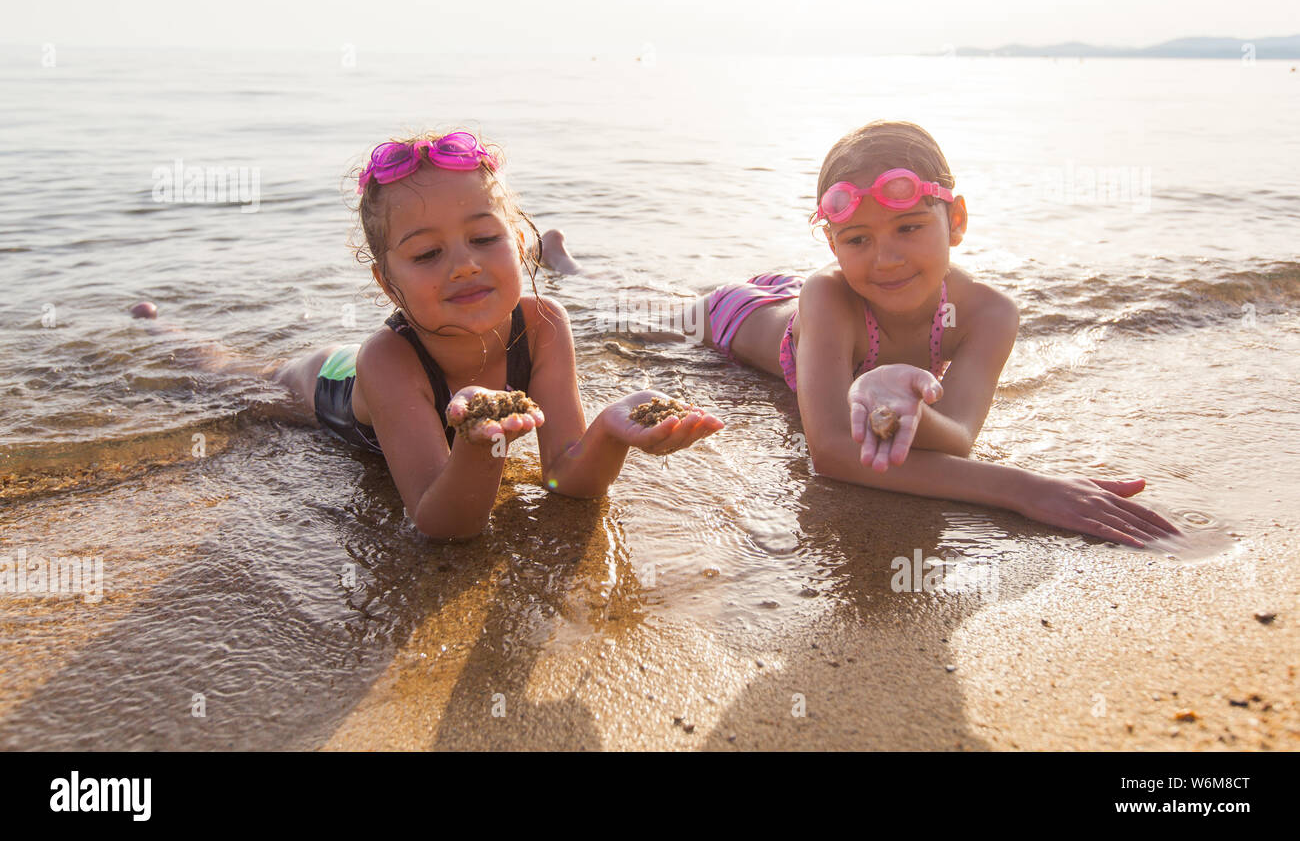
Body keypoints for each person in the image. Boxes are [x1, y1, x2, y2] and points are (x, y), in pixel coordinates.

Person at [142, 130, 723, 540]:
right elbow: (441, 521)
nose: (464, 265)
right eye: (426, 253)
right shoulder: (388, 361)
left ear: (519, 244)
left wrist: (611, 432)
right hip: (329, 382)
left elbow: (564, 477)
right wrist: (480, 444)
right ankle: (161, 330)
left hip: (393, 378)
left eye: (484, 239)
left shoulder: (544, 326)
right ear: (388, 282)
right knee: (230, 382)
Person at [697, 121, 1179, 548]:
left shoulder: (988, 313)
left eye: (909, 227)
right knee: (645, 324)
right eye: (857, 239)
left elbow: (957, 439)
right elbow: (830, 452)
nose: (886, 259)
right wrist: (1027, 488)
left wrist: (905, 411)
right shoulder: (828, 294)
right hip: (740, 312)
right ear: (833, 245)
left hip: (799, 305)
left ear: (957, 222)